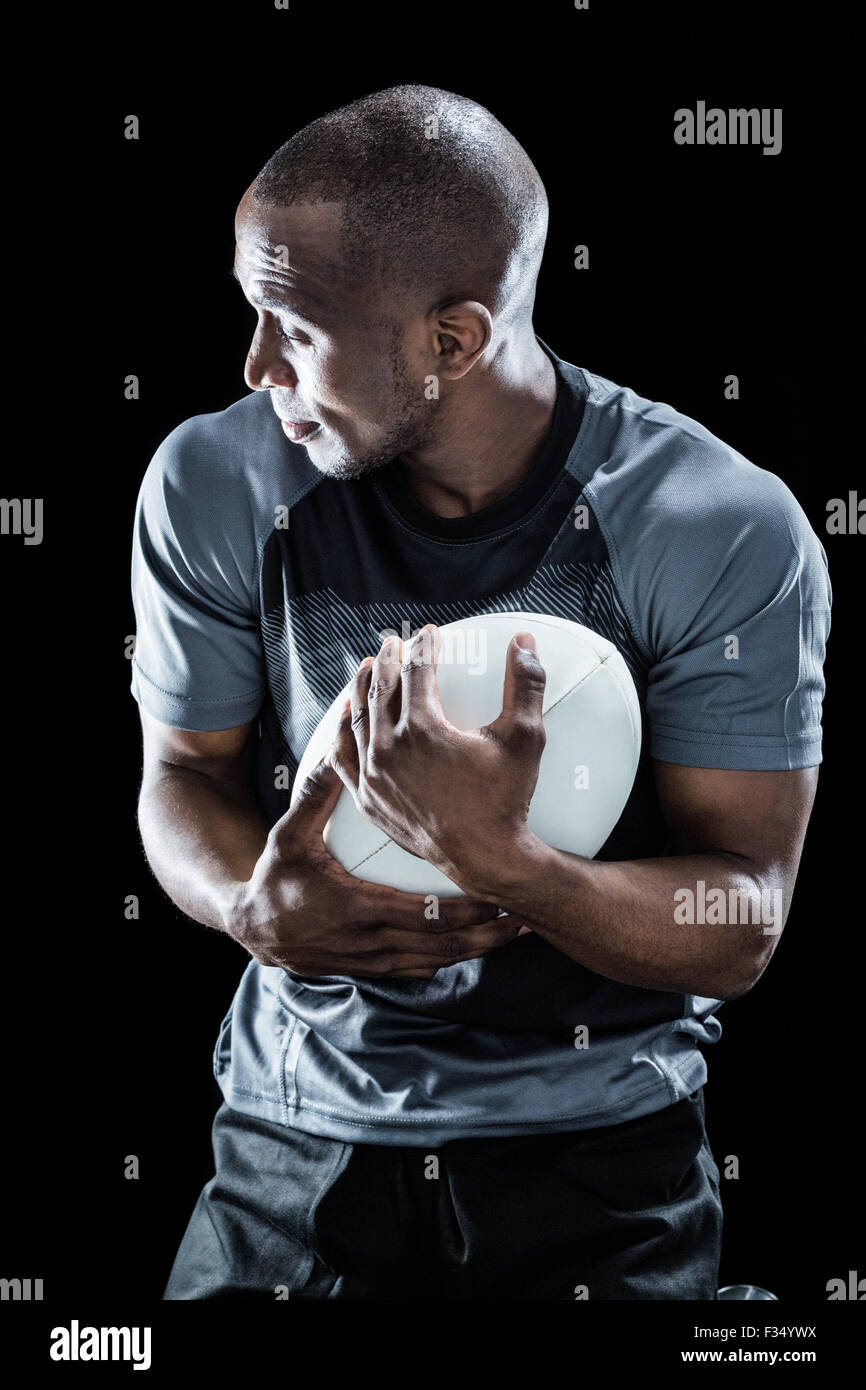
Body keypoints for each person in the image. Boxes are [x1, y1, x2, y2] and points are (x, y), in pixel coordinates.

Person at [130, 84, 830, 1300]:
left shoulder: (713, 525)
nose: (253, 367)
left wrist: (502, 863)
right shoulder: (213, 480)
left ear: (449, 341)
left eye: (291, 327)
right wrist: (247, 905)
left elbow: (743, 918)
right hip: (296, 1132)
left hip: (601, 1147)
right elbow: (181, 777)